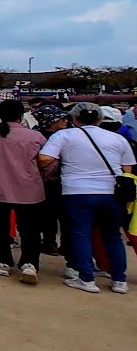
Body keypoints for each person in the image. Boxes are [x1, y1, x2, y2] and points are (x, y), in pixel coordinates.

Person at [37, 103, 135, 294]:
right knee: (112, 236)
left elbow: (44, 159)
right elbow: (127, 167)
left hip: (76, 190)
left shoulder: (64, 135)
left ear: (74, 118)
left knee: (80, 233)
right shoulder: (117, 138)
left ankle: (86, 278)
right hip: (111, 192)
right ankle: (119, 280)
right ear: (100, 119)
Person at [0, 100, 46, 283]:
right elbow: (47, 162)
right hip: (30, 190)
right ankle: (29, 263)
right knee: (30, 230)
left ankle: (2, 262)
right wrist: (44, 178)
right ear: (21, 116)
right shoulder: (36, 137)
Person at [33, 105, 71, 257]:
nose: (65, 120)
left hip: (62, 180)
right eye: (61, 118)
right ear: (50, 120)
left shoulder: (67, 134)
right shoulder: (39, 137)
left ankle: (63, 244)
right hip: (49, 181)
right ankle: (50, 243)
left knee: (63, 215)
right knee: (49, 214)